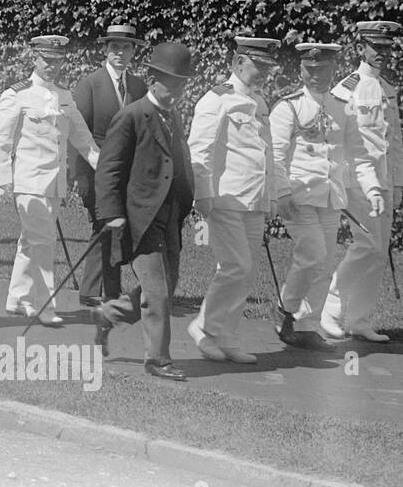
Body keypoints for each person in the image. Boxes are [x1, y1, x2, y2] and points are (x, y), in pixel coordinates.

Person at [93, 42, 196, 382]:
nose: (177, 90)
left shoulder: (173, 115)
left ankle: (108, 314)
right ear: (153, 80)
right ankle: (158, 360)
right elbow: (108, 170)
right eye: (171, 83)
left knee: (165, 286)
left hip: (170, 218)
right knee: (158, 293)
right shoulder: (132, 115)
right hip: (140, 219)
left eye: (182, 83)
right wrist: (111, 214)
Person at [0, 34, 99, 326]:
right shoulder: (17, 94)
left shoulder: (64, 95)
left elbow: (82, 137)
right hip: (28, 182)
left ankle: (17, 298)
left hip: (54, 184)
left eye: (58, 61)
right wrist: (0, 181)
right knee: (44, 242)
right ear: (34, 59)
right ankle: (44, 306)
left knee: (31, 242)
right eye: (46, 60)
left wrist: (103, 165)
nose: (52, 66)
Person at [186, 35, 280, 363]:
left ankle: (226, 335)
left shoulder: (259, 101)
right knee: (235, 265)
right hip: (225, 198)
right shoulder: (216, 100)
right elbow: (199, 152)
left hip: (253, 201)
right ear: (239, 62)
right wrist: (202, 195)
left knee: (246, 270)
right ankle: (204, 327)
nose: (265, 72)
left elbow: (267, 155)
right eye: (259, 65)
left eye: (268, 66)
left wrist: (272, 196)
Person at [270, 42, 367, 351]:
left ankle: (306, 325)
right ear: (300, 70)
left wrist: (358, 192)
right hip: (298, 195)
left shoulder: (342, 106)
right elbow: (274, 155)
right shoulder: (289, 106)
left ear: (333, 70)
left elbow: (352, 153)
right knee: (311, 253)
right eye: (309, 70)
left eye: (322, 69)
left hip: (330, 196)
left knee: (325, 262)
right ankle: (286, 311)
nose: (315, 76)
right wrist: (281, 191)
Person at [320, 21, 403, 343]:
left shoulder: (389, 89)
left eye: (387, 48)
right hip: (356, 181)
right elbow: (337, 140)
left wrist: (396, 185)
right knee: (366, 245)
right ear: (361, 49)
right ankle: (331, 309)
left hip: (383, 182)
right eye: (376, 47)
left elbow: (393, 142)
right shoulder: (346, 89)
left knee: (379, 251)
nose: (382, 54)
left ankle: (359, 319)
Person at [72, 23, 149, 308]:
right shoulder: (90, 83)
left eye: (126, 47)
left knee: (115, 226)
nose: (120, 53)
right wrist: (80, 176)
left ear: (133, 52)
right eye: (114, 47)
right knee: (104, 224)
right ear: (106, 49)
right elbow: (78, 134)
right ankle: (101, 290)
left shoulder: (139, 86)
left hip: (128, 173)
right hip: (97, 171)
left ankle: (101, 289)